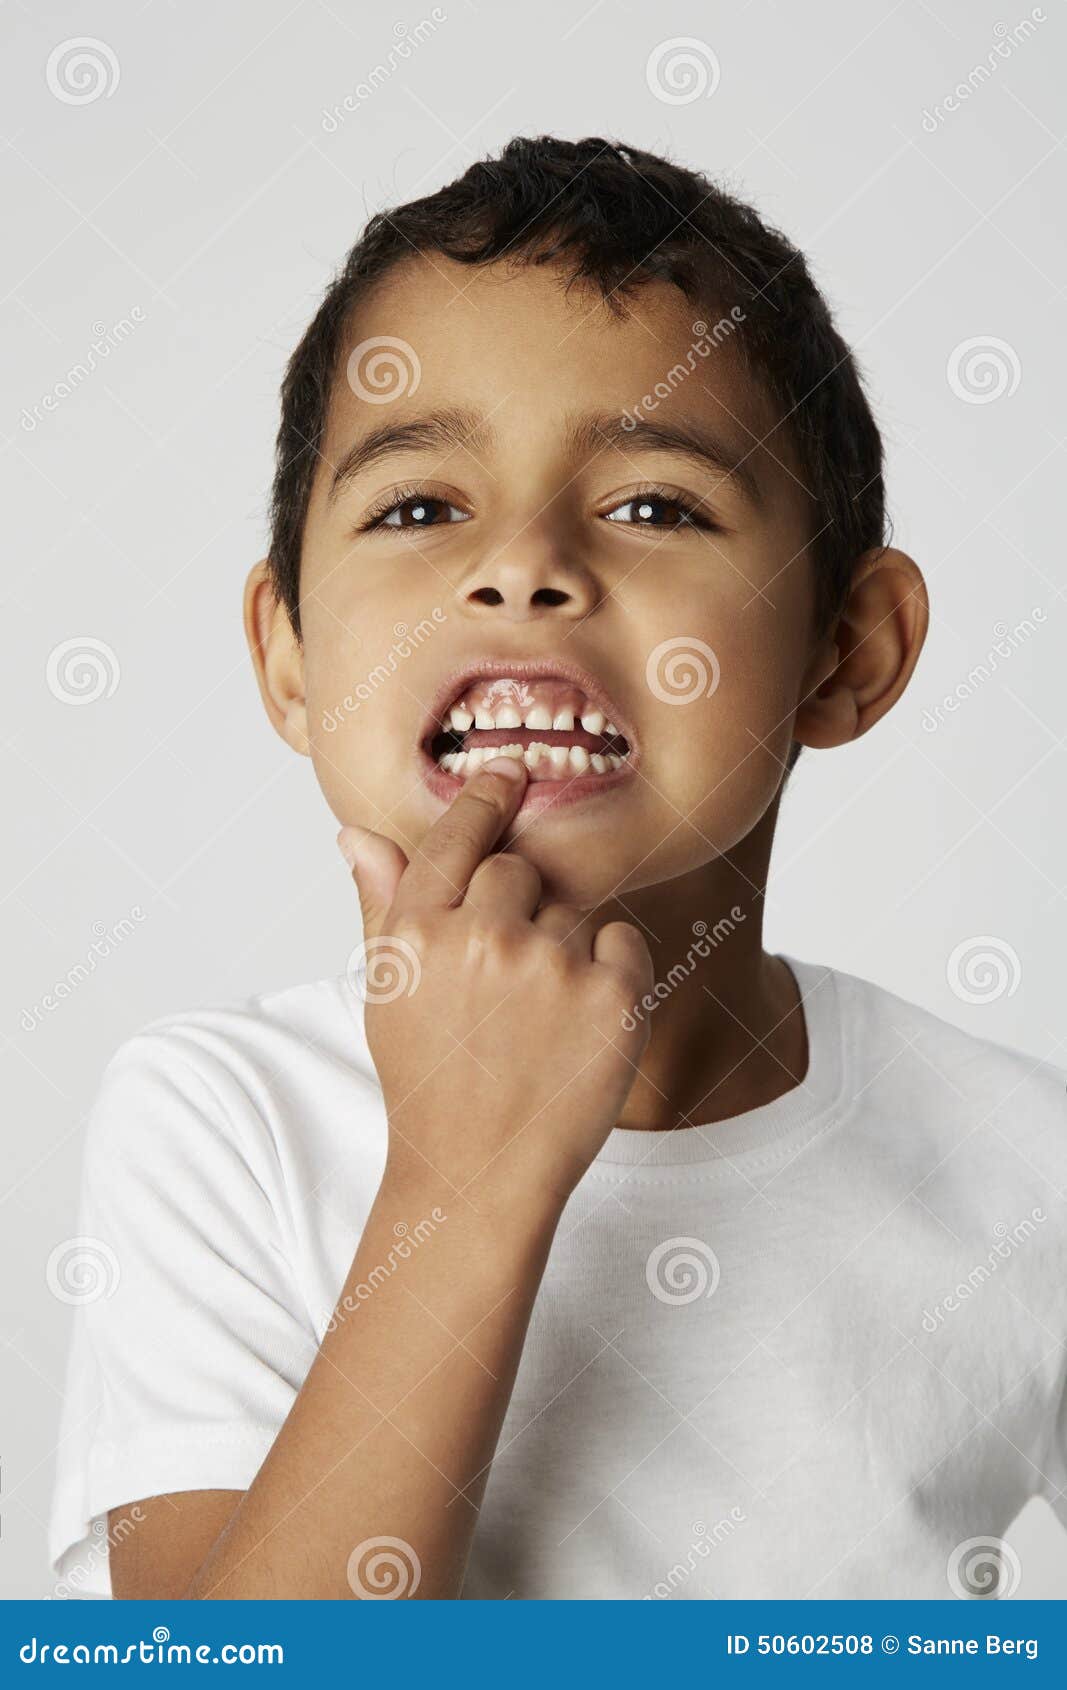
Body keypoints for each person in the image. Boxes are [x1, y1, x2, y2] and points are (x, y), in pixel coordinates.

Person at [50, 136, 1067, 1601]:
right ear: (286, 655)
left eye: (654, 505)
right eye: (418, 506)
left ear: (847, 649)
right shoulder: (220, 1122)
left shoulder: (1023, 1165)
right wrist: (466, 1180)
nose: (522, 565)